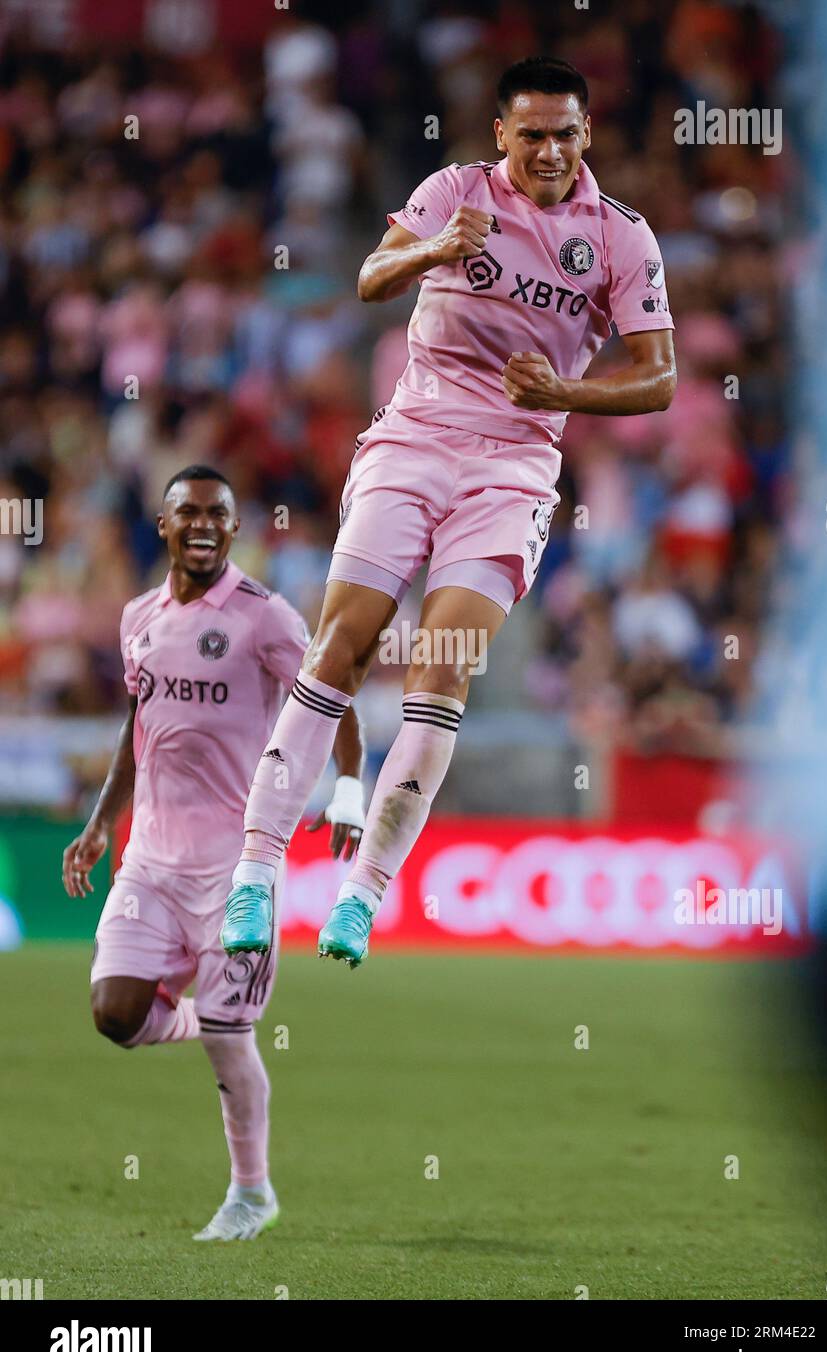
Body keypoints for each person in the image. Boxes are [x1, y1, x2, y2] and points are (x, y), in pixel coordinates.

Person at [222, 55, 676, 969]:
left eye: (566, 133)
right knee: (340, 646)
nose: (550, 150)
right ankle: (254, 874)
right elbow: (368, 279)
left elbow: (659, 378)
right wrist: (434, 250)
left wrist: (564, 393)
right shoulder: (453, 190)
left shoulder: (623, 238)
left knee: (445, 669)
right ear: (501, 134)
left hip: (512, 469)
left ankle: (363, 897)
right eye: (533, 133)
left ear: (587, 136)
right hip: (413, 440)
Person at [62, 465, 365, 1240]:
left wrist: (350, 788)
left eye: (217, 515)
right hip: (150, 866)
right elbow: (138, 728)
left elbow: (334, 695)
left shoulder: (267, 619)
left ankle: (251, 1193)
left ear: (235, 531)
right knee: (113, 1014)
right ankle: (212, 1018)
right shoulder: (138, 618)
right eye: (187, 512)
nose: (202, 524)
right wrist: (100, 823)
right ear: (163, 526)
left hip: (240, 871)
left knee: (231, 1044)